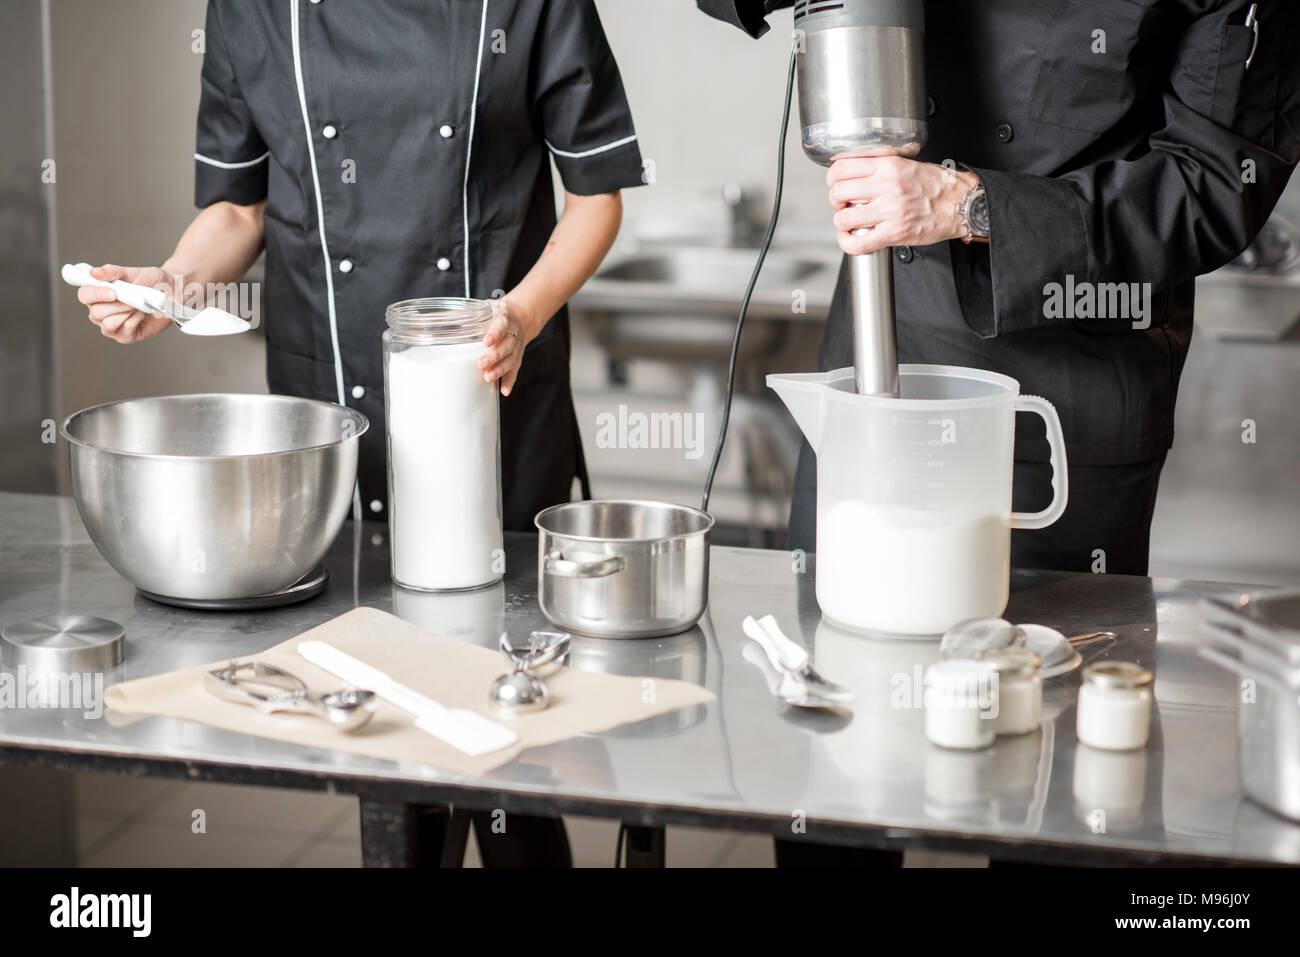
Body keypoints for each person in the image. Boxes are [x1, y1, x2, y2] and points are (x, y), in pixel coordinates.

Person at [698, 0, 1299, 865]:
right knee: (837, 750)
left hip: (1075, 400)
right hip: (883, 358)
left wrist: (969, 204)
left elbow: (1215, 182)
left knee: (1058, 769)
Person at [78, 0, 645, 867]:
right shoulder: (251, 8)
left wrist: (518, 317)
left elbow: (594, 199)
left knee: (518, 722)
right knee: (376, 717)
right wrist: (172, 287)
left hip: (490, 399)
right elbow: (237, 212)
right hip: (337, 425)